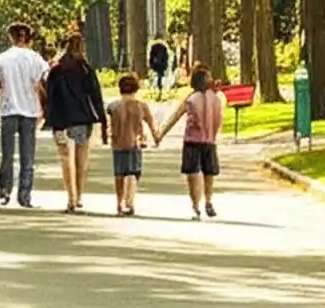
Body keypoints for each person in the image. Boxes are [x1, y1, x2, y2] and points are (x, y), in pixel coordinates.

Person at [43, 33, 107, 214]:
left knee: (65, 159)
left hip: (61, 120)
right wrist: (102, 120)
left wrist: (48, 118)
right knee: (81, 161)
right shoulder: (85, 69)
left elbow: (50, 97)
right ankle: (79, 196)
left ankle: (70, 197)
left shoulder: (56, 70)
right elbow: (95, 96)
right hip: (81, 119)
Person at [0, 22, 50, 208]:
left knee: (7, 154)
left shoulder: (2, 58)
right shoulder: (36, 59)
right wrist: (44, 107)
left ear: (11, 37)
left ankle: (4, 190)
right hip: (30, 110)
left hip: (8, 109)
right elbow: (43, 82)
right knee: (28, 156)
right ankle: (24, 195)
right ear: (28, 38)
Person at [157, 68, 224, 220]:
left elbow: (174, 117)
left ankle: (196, 206)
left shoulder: (191, 99)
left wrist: (160, 135)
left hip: (192, 141)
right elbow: (219, 120)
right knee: (209, 173)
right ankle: (208, 201)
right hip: (209, 141)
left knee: (193, 174)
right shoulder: (216, 99)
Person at [107, 73, 159, 216]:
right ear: (136, 89)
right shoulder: (141, 106)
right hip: (134, 144)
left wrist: (106, 137)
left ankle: (119, 202)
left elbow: (108, 126)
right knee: (132, 173)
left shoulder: (113, 107)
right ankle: (129, 202)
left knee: (119, 175)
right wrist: (156, 137)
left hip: (118, 145)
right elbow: (151, 123)